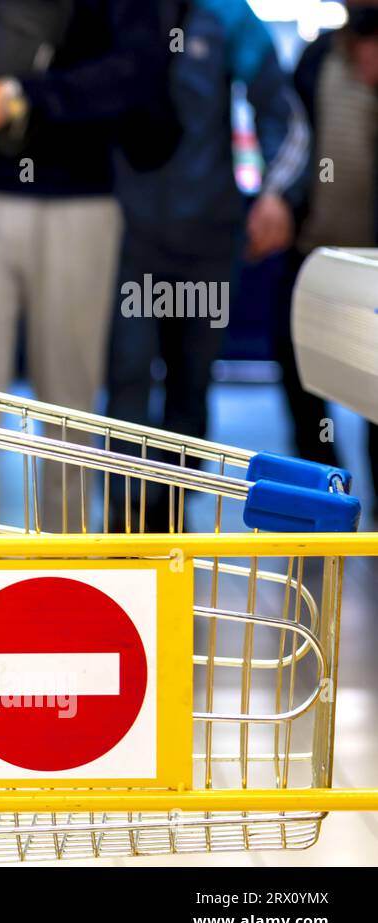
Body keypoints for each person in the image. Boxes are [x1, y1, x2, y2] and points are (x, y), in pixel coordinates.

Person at [0, 0, 171, 531]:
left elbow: (139, 70)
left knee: (68, 413)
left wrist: (21, 97)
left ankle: (63, 580)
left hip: (77, 199)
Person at [106, 0, 309, 531]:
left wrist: (276, 194)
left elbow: (280, 112)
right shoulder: (113, 10)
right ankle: (127, 516)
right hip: (126, 235)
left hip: (207, 239)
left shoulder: (227, 14)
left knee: (191, 381)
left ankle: (172, 517)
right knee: (127, 374)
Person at [276, 2, 378, 498]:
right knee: (299, 364)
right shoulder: (319, 55)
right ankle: (327, 487)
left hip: (372, 260)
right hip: (314, 250)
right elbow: (295, 137)